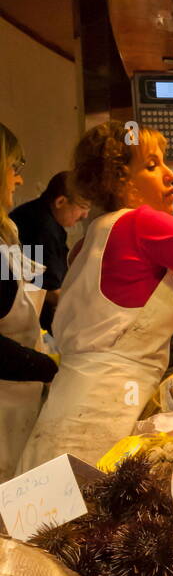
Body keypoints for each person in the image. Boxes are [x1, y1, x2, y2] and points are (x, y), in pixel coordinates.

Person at [19, 122, 173, 470]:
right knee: (89, 517)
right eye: (152, 165)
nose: (170, 175)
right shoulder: (143, 224)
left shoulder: (91, 237)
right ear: (118, 179)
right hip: (106, 414)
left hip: (64, 407)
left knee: (37, 518)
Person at [0, 123, 58, 481]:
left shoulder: (7, 231)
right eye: (14, 167)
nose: (19, 180)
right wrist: (51, 367)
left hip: (17, 402)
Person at [11, 171, 88, 329]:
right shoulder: (42, 227)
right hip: (23, 317)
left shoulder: (47, 219)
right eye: (82, 207)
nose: (85, 216)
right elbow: (48, 289)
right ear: (60, 201)